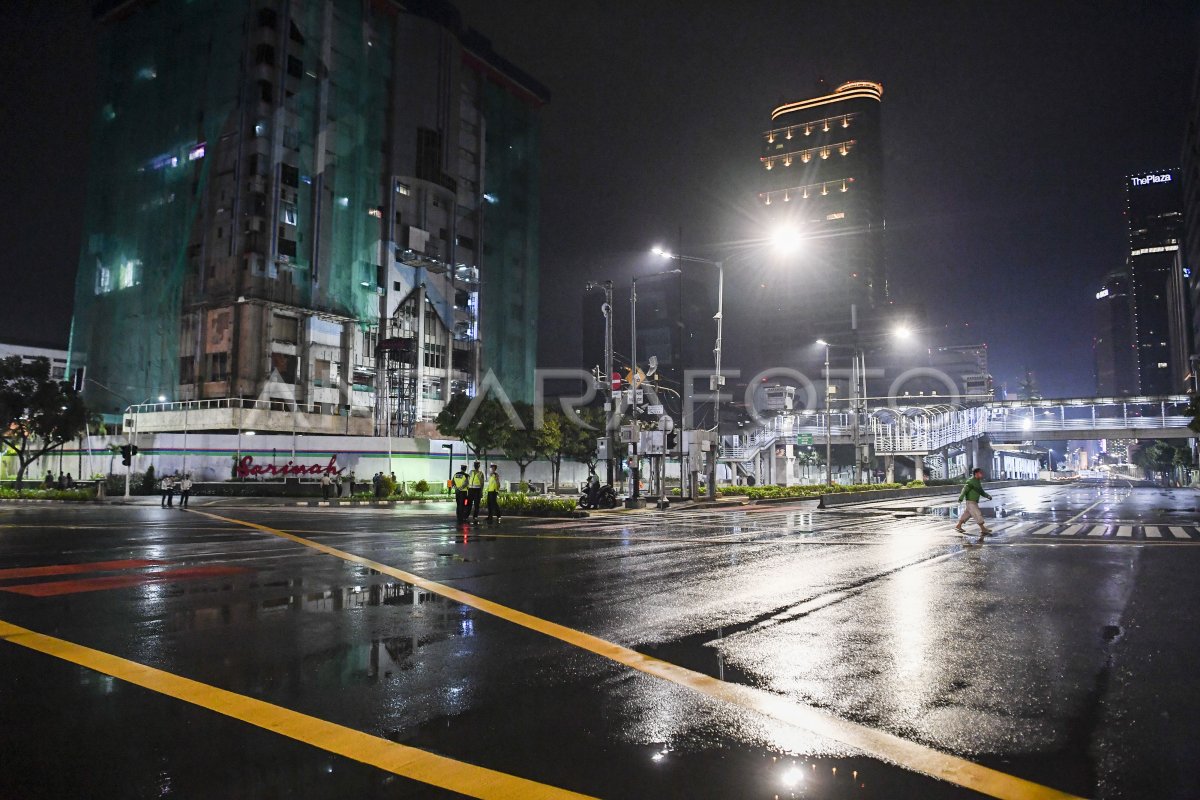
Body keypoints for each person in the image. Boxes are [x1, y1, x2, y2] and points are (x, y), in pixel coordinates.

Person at [955, 467, 993, 540]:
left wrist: (987, 496)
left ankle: (958, 526)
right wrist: (961, 498)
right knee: (977, 513)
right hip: (970, 502)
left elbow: (981, 491)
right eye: (980, 473)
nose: (982, 474)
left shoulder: (977, 481)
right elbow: (964, 490)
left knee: (967, 514)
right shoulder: (970, 481)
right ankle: (983, 529)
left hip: (974, 501)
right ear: (976, 473)